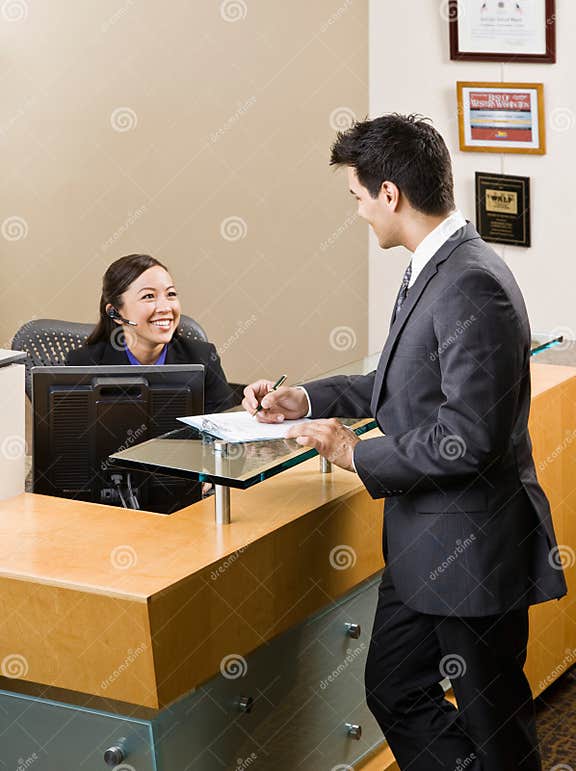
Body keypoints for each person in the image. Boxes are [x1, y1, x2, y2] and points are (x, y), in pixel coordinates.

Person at [242, 114, 567, 770]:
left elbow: (470, 437)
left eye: (358, 197)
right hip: (427, 548)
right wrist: (302, 399)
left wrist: (353, 453)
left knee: (493, 719)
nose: (358, 213)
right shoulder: (432, 265)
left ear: (390, 194)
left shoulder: (469, 279)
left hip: (472, 550)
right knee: (394, 687)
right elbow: (396, 386)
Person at [66, 253, 235, 414]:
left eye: (171, 294)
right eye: (148, 296)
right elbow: (72, 438)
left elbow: (226, 428)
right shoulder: (83, 364)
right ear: (115, 312)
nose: (165, 308)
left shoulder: (202, 357)